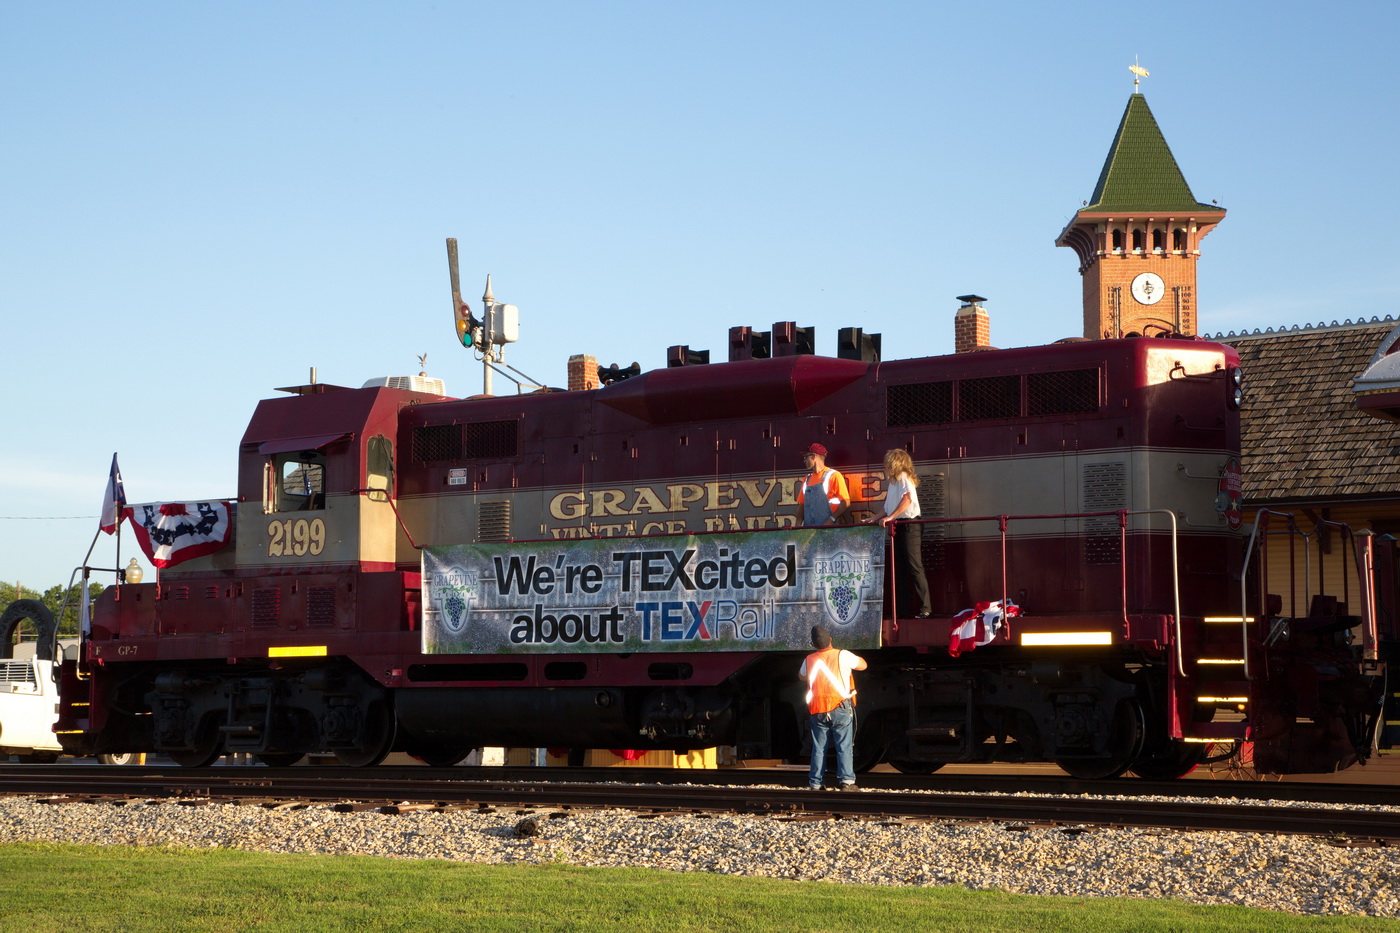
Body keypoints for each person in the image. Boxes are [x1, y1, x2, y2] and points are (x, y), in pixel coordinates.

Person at [799, 625, 866, 790]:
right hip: (840, 707)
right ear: (830, 640)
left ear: (813, 644)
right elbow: (863, 665)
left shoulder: (809, 659)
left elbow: (801, 677)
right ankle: (847, 782)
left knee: (819, 747)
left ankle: (815, 783)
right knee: (843, 745)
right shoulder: (842, 655)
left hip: (818, 709)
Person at [868, 448, 931, 619]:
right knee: (900, 568)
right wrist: (873, 518)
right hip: (899, 525)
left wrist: (891, 517)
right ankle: (903, 609)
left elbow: (907, 499)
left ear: (895, 462)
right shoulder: (894, 482)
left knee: (914, 565)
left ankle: (925, 607)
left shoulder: (904, 477)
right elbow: (887, 508)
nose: (885, 465)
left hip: (910, 525)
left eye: (887, 462)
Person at [796, 443, 850, 527]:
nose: (804, 460)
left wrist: (831, 520)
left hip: (830, 531)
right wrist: (797, 526)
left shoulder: (834, 475)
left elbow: (846, 502)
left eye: (806, 457)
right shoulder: (806, 479)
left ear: (814, 456)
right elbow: (802, 505)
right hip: (809, 531)